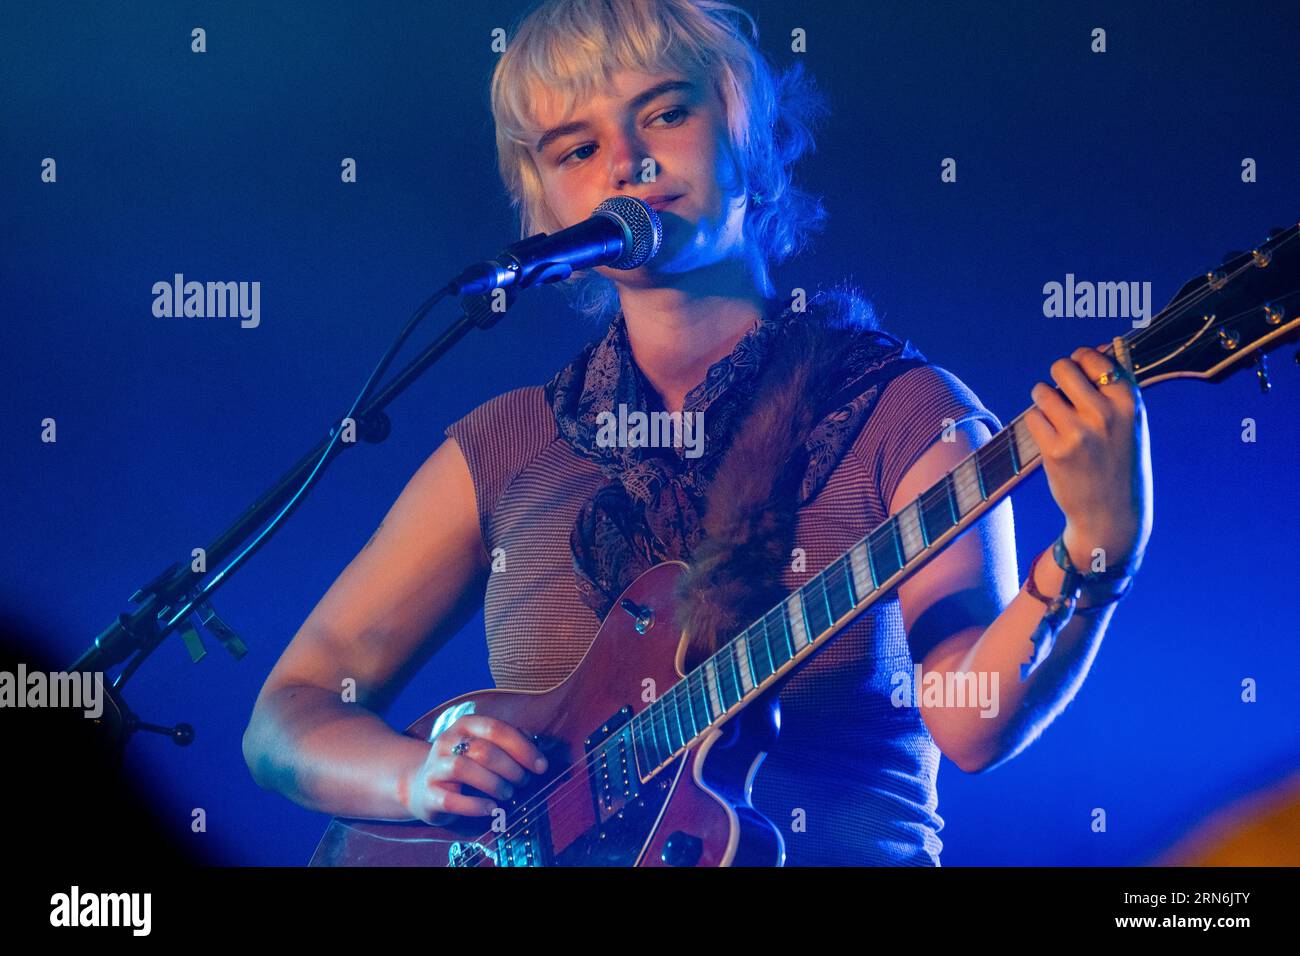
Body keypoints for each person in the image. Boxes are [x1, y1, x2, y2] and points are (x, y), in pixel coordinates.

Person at [242, 0, 1153, 865]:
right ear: (545, 211)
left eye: (666, 114)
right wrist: (415, 775)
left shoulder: (903, 411)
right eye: (576, 148)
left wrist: (1094, 552)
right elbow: (287, 715)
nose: (626, 162)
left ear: (746, 138)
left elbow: (969, 724)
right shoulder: (504, 446)